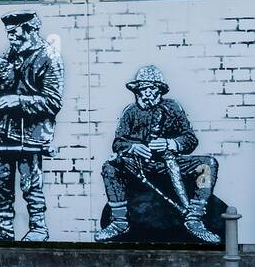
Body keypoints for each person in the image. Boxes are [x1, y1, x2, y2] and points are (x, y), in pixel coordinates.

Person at [94, 66, 220, 243]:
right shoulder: (130, 112)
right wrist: (132, 147)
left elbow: (190, 139)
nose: (147, 93)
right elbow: (118, 143)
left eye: (152, 88)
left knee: (208, 164)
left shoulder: (173, 108)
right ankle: (119, 222)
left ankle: (195, 218)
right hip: (139, 165)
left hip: (169, 163)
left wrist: (171, 144)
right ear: (137, 90)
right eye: (143, 89)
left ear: (159, 90)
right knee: (110, 167)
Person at [0, 11, 63, 243]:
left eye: (14, 32)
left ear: (30, 30)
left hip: (32, 133)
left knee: (30, 181)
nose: (10, 37)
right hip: (6, 128)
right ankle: (5, 228)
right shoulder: (13, 52)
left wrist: (19, 101)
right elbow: (6, 79)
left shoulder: (49, 57)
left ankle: (38, 228)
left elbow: (53, 102)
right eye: (8, 33)